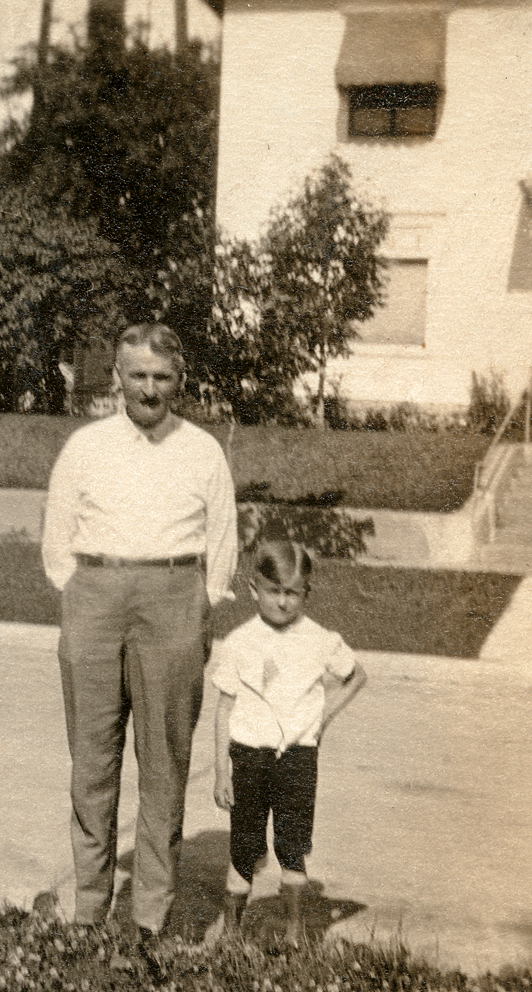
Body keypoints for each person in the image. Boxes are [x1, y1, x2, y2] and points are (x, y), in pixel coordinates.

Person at [42, 323, 238, 942]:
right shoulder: (85, 445)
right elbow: (56, 534)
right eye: (138, 376)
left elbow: (223, 540)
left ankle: (150, 916)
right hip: (96, 595)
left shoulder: (203, 449)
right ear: (117, 378)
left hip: (174, 598)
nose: (149, 389)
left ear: (179, 381)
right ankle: (88, 908)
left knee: (163, 764)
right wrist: (79, 590)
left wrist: (197, 603)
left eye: (162, 377)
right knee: (92, 762)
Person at [211, 538, 366, 943]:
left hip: (297, 757)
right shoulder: (238, 642)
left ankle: (295, 931)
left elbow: (355, 676)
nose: (283, 602)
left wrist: (322, 718)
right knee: (244, 845)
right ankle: (232, 932)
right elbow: (224, 709)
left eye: (293, 593)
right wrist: (219, 773)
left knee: (292, 843)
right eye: (273, 591)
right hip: (247, 757)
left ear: (306, 593)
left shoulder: (319, 639)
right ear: (253, 590)